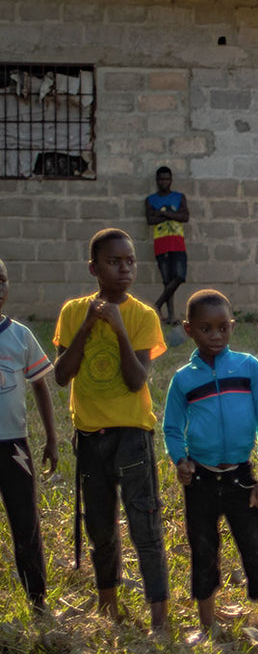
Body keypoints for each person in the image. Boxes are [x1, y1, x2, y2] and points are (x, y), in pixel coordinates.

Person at [53, 228, 169, 630]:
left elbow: (137, 380)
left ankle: (159, 614)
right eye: (114, 262)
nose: (124, 269)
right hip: (90, 437)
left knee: (145, 523)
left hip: (133, 435)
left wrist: (118, 327)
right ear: (94, 268)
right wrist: (87, 326)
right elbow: (61, 376)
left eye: (130, 261)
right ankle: (108, 607)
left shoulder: (142, 315)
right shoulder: (72, 312)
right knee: (100, 526)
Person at [163, 289, 258, 645]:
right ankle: (205, 629)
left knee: (256, 552)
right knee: (203, 551)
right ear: (189, 330)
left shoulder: (249, 368)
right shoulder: (183, 379)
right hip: (201, 481)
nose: (216, 336)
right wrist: (180, 460)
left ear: (233, 326)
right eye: (206, 329)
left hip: (241, 479)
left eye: (223, 327)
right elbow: (172, 428)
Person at [0, 257, 58, 613]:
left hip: (13, 446)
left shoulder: (20, 335)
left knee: (25, 521)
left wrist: (51, 438)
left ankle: (37, 600)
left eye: (2, 280)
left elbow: (40, 386)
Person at [144, 166, 190, 325]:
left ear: (171, 180)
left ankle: (157, 305)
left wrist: (162, 213)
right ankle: (171, 317)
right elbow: (150, 220)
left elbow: (185, 217)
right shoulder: (150, 200)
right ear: (157, 181)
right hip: (161, 243)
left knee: (179, 276)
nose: (164, 182)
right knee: (167, 280)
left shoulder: (179, 197)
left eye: (167, 179)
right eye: (161, 179)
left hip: (177, 242)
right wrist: (172, 215)